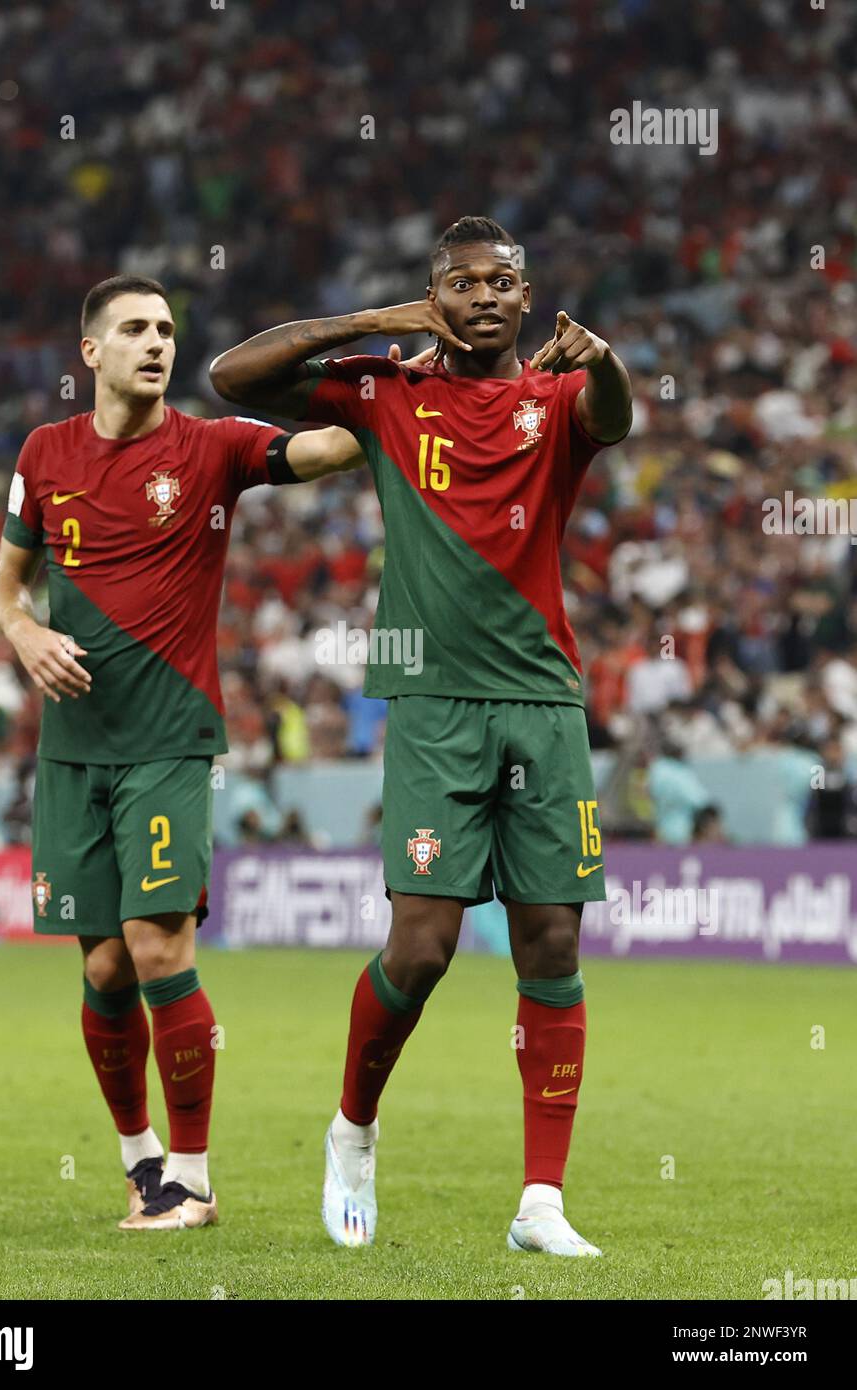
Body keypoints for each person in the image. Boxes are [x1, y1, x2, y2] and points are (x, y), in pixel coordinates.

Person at [210, 216, 633, 1256]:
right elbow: (231, 376)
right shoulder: (383, 390)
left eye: (502, 281)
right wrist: (368, 319)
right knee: (424, 945)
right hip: (436, 706)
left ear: (527, 300)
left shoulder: (557, 399)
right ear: (433, 296)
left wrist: (610, 361)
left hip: (542, 699)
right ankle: (352, 1130)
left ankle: (541, 1200)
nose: (485, 295)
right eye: (461, 282)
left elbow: (615, 418)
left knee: (552, 941)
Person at [0, 274, 364, 1231]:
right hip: (73, 751)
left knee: (158, 948)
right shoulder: (45, 453)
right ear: (91, 354)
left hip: (169, 740)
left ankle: (191, 1178)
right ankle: (139, 1160)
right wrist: (24, 635)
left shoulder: (211, 448)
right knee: (106, 967)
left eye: (165, 329)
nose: (155, 343)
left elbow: (326, 447)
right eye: (134, 329)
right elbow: (6, 588)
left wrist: (402, 391)